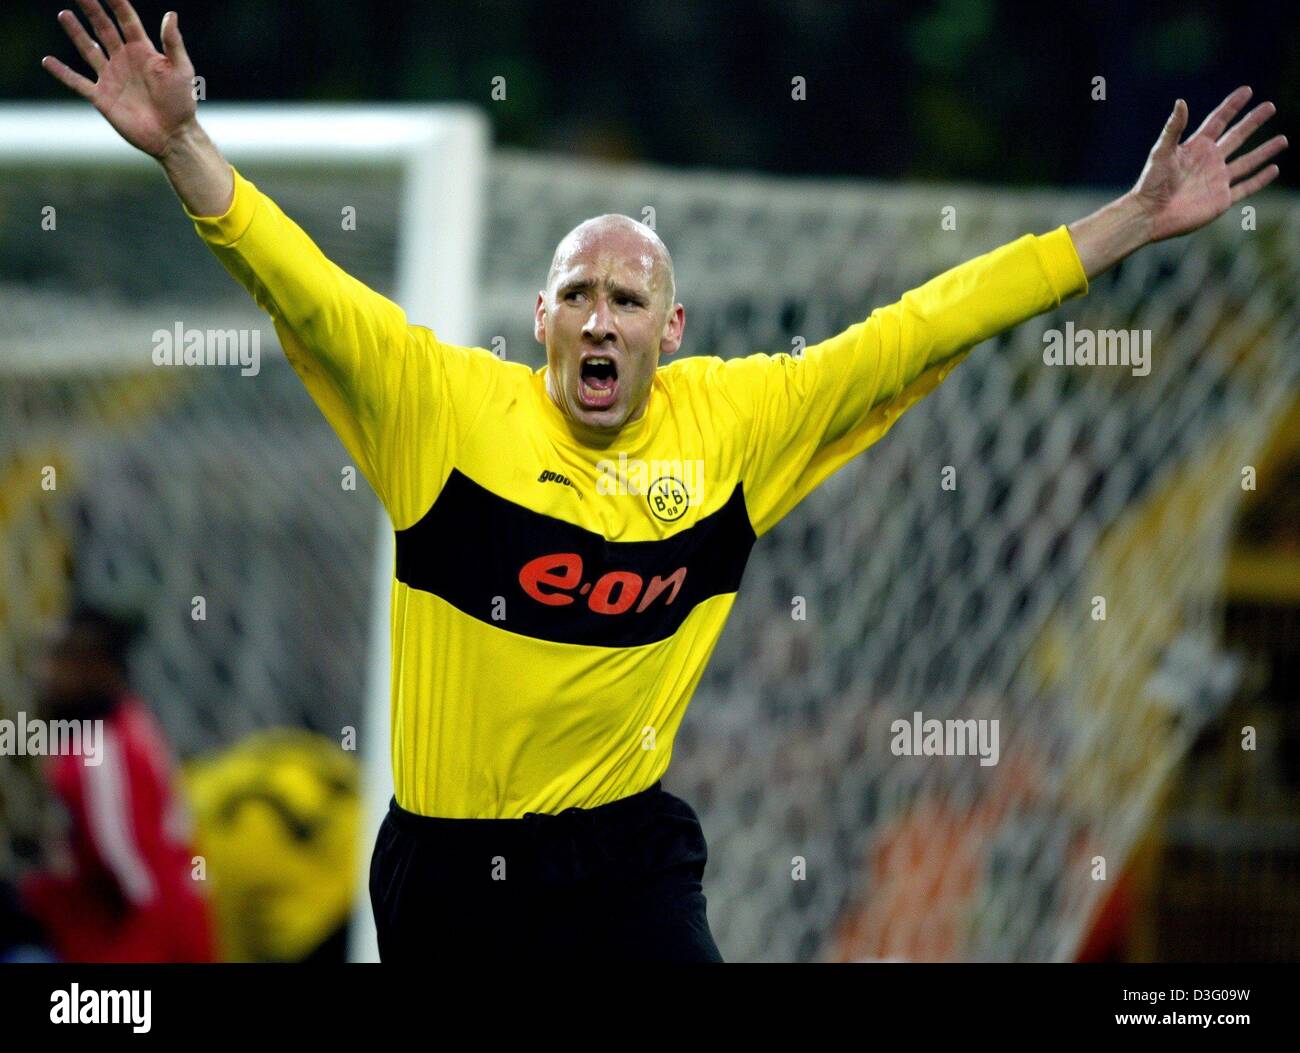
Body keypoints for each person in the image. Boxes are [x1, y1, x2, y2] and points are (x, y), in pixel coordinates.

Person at [42, 0, 1285, 961]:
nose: (598, 317)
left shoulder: (739, 421)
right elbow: (294, 277)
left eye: (623, 299)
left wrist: (1122, 225)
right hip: (449, 866)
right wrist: (185, 146)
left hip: (624, 854)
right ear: (537, 319)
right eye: (575, 294)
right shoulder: (439, 408)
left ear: (669, 328)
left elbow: (926, 325)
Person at [20, 604, 215, 962]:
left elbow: (146, 891)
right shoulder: (129, 722)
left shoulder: (101, 756)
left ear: (97, 669)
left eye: (60, 661)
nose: (46, 674)